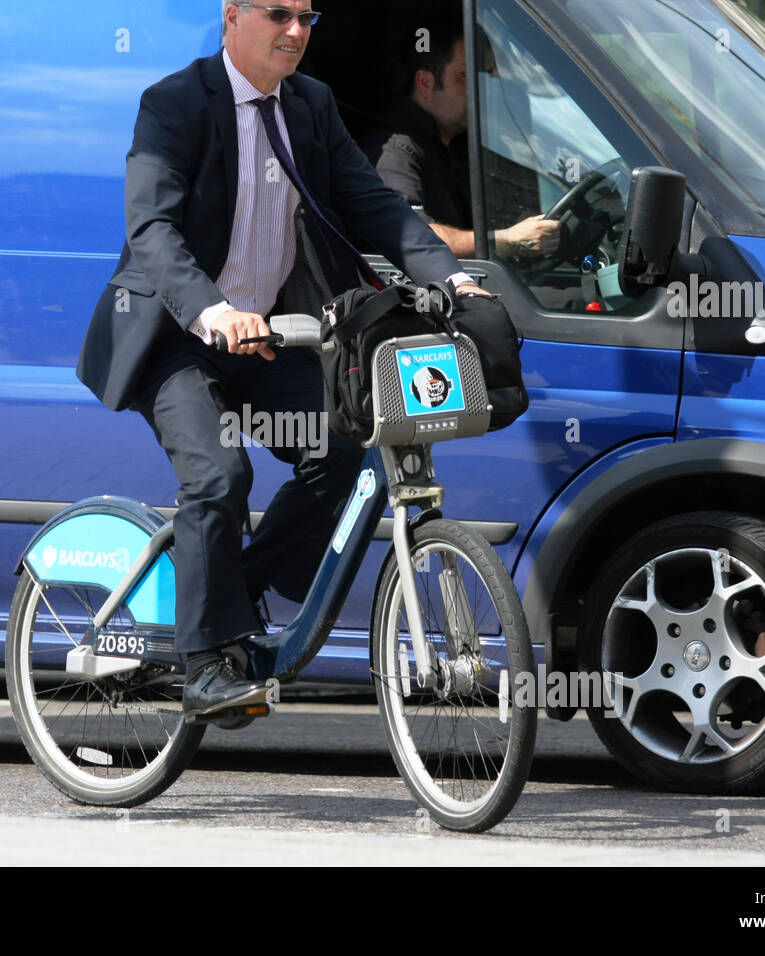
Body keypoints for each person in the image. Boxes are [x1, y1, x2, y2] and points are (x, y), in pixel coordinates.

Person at [76, 0, 490, 716]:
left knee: (345, 449)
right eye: (278, 14)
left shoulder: (310, 104)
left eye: (308, 16)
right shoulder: (175, 103)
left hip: (260, 337)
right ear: (233, 17)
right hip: (176, 336)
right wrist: (212, 311)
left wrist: (448, 276)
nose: (296, 31)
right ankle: (204, 660)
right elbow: (154, 231)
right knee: (219, 473)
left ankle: (229, 598)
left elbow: (376, 206)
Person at [366, 16, 559, 260]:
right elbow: (409, 234)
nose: (481, 89)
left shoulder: (460, 147)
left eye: (484, 77)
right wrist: (505, 240)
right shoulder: (396, 152)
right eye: (465, 77)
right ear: (426, 84)